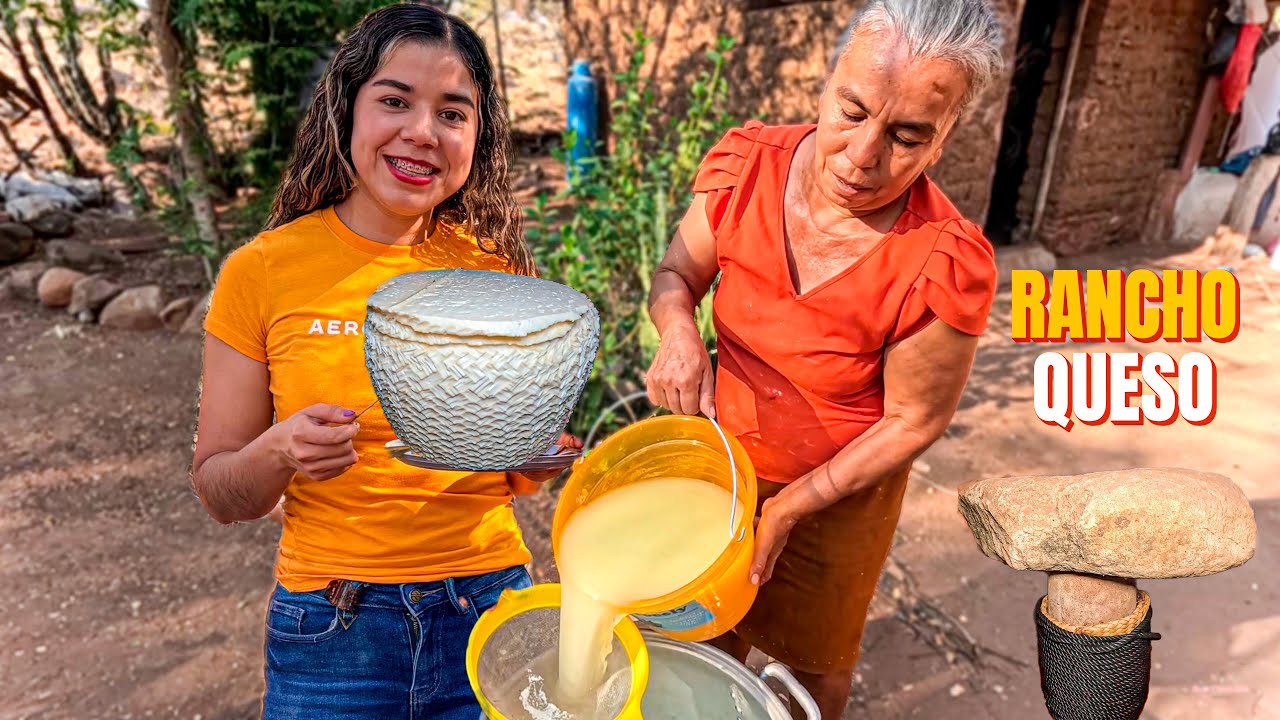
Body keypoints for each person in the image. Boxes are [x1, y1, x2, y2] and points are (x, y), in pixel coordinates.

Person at [190, 5, 575, 718]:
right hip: (333, 629)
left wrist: (538, 454)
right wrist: (279, 449)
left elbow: (519, 478)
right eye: (395, 101)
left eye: (452, 113)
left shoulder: (499, 279)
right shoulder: (262, 273)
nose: (422, 132)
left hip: (490, 609)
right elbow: (221, 491)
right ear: (346, 110)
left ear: (477, 135)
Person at [644, 0, 1005, 716]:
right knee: (704, 634)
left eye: (907, 136)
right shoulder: (748, 168)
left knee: (815, 665)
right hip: (722, 466)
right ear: (827, 80)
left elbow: (911, 420)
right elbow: (676, 277)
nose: (863, 156)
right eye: (851, 111)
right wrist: (680, 331)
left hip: (840, 495)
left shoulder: (940, 258)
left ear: (945, 138)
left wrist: (789, 511)